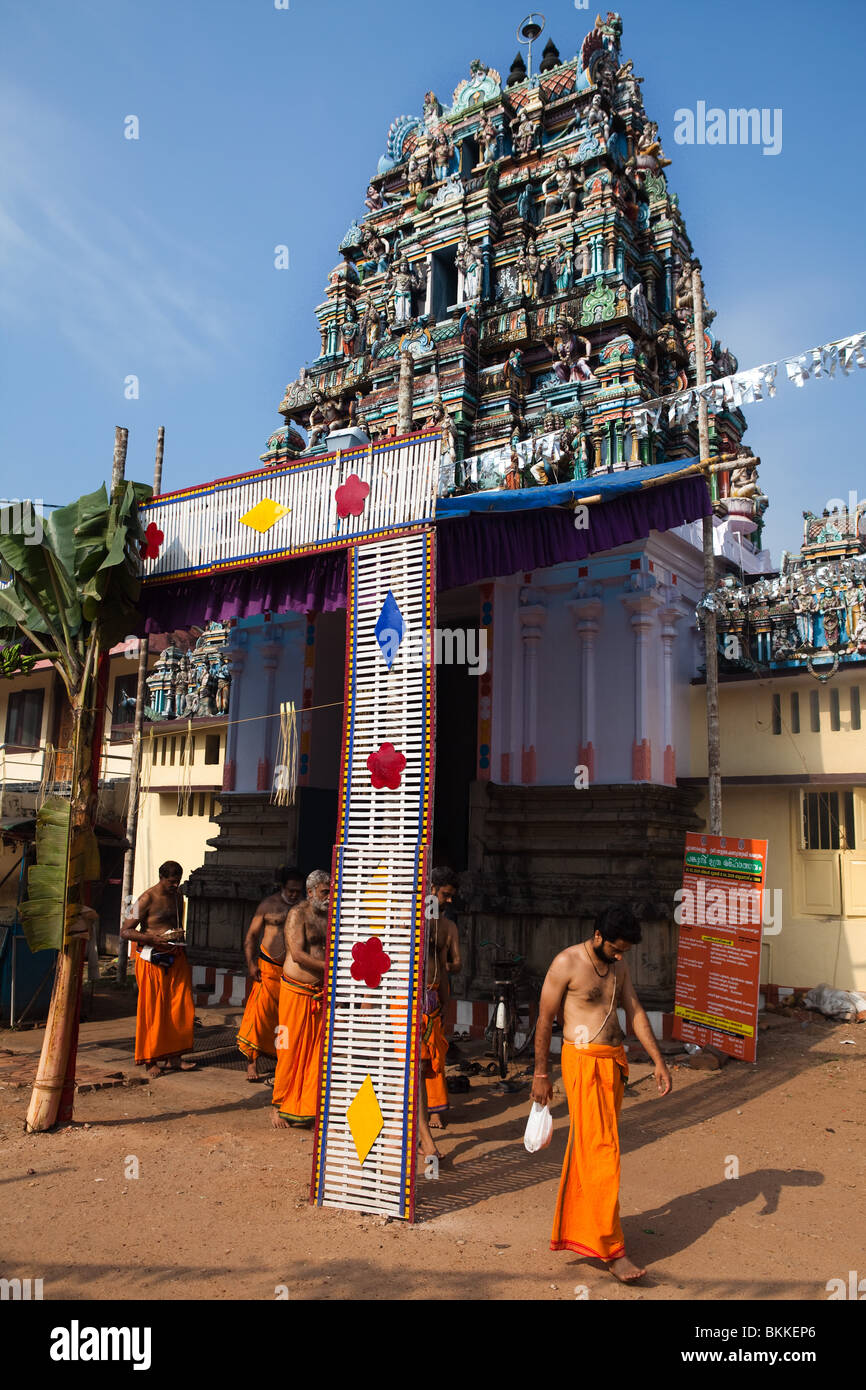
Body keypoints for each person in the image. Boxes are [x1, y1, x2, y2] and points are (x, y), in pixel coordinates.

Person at [532, 905, 672, 1283]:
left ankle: (578, 1231)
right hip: (583, 1064)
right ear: (598, 936)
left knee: (592, 1150)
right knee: (602, 1153)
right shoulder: (567, 963)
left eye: (625, 950)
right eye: (616, 948)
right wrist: (541, 1073)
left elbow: (635, 1010)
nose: (620, 955)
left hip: (614, 1064)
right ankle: (613, 1251)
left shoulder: (620, 968)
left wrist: (658, 1061)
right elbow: (544, 1019)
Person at [120, 861, 196, 1080]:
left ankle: (175, 1057)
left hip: (176, 956)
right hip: (152, 959)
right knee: (153, 1010)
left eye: (177, 881)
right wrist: (151, 938)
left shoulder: (178, 896)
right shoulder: (146, 898)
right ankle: (150, 1060)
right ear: (162, 878)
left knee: (180, 1007)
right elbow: (125, 931)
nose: (175, 885)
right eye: (172, 881)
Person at [271, 869, 330, 1129]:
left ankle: (309, 1107)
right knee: (288, 1048)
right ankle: (278, 1104)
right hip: (296, 991)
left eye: (332, 891)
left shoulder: (333, 916)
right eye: (325, 892)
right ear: (311, 892)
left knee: (319, 1053)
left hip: (320, 993)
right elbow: (296, 954)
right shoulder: (298, 914)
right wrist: (332, 968)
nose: (330, 897)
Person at [237, 865, 305, 1082]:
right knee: (259, 1015)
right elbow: (250, 937)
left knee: (284, 1019)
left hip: (290, 972)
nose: (294, 894)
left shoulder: (304, 908)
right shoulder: (268, 905)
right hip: (266, 968)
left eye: (298, 890)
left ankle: (281, 1062)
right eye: (291, 890)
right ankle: (251, 1064)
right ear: (282, 887)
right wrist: (250, 964)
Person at [422, 867, 459, 1129]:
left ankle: (435, 1111)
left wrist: (447, 967)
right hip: (411, 998)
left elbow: (456, 963)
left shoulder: (449, 927)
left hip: (435, 996)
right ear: (431, 889)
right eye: (445, 894)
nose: (449, 900)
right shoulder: (411, 920)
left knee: (435, 1057)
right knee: (414, 1058)